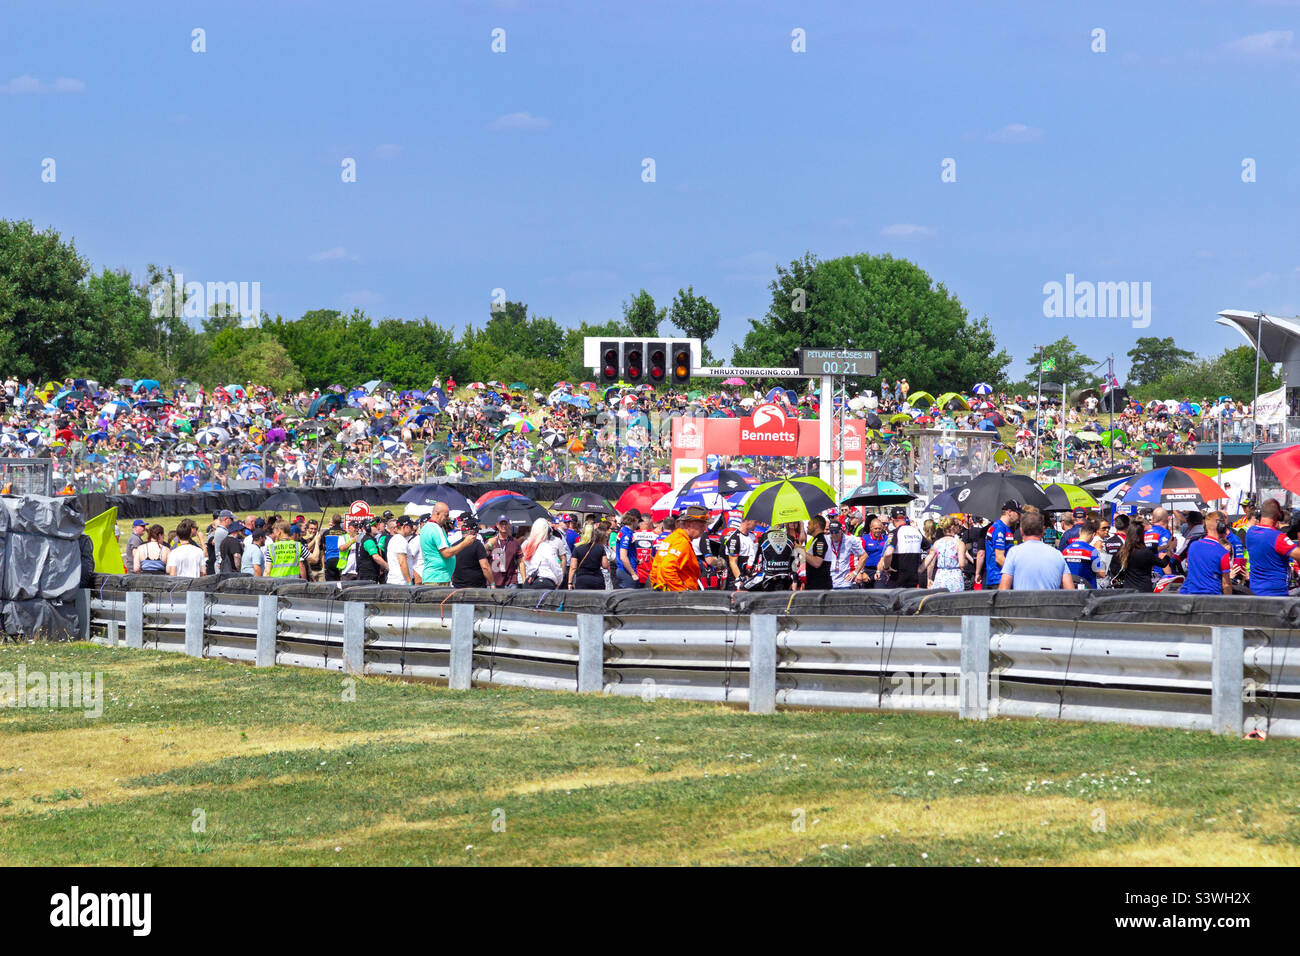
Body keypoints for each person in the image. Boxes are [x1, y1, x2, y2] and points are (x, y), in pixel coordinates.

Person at [998, 512, 1074, 590]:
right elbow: (1070, 590)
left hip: (1022, 601)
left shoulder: (1013, 553)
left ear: (1021, 531)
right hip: (1050, 601)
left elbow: (1003, 589)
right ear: (1043, 531)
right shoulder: (1057, 554)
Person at [1245, 499, 1300, 597]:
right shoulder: (1278, 537)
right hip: (1276, 594)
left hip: (1255, 592)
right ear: (1278, 516)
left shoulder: (1250, 532)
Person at [649, 505, 707, 591]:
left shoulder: (671, 538)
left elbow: (656, 567)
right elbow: (667, 567)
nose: (704, 529)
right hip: (677, 597)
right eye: (701, 525)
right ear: (689, 525)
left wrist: (657, 586)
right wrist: (681, 591)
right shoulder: (681, 542)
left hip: (665, 592)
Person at [419, 501, 477, 585]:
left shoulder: (426, 527)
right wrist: (465, 543)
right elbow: (446, 553)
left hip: (434, 576)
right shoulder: (435, 529)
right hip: (438, 578)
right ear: (437, 513)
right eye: (446, 515)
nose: (447, 518)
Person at [1181, 511, 1233, 596]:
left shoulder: (1193, 546)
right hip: (1211, 600)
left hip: (1191, 598)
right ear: (1221, 526)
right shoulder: (1222, 552)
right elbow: (1226, 584)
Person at [1110, 519, 1168, 592]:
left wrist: (1165, 546)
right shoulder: (1145, 553)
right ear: (1141, 535)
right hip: (1144, 589)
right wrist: (1169, 551)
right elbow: (1163, 563)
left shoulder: (1123, 551)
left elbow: (1114, 569)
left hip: (1128, 589)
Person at [878, 508, 926, 588]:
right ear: (905, 517)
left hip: (897, 578)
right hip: (913, 578)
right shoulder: (916, 531)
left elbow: (888, 553)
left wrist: (886, 567)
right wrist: (921, 568)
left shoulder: (894, 532)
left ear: (892, 519)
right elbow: (932, 551)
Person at [921, 516, 967, 592]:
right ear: (953, 527)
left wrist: (927, 576)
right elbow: (962, 564)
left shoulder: (937, 543)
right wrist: (966, 561)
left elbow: (931, 562)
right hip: (955, 576)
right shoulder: (959, 543)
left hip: (940, 576)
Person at [1061, 517, 1106, 588]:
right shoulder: (1092, 551)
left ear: (1079, 532)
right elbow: (1102, 574)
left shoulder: (1066, 550)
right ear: (1093, 535)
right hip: (1088, 590)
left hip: (1070, 590)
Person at [984, 501, 1020, 589]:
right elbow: (999, 558)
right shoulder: (999, 528)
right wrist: (1016, 574)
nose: (1019, 516)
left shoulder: (1006, 528)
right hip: (998, 579)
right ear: (1009, 512)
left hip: (1001, 578)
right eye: (1018, 513)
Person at [520, 517, 564, 588]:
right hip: (545, 583)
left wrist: (524, 579)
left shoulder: (526, 544)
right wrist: (559, 581)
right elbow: (555, 566)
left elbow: (523, 562)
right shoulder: (546, 547)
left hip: (529, 582)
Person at [451, 516, 494, 588]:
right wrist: (492, 584)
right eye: (477, 531)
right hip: (476, 588)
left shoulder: (454, 546)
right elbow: (485, 567)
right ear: (473, 532)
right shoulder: (477, 545)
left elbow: (451, 567)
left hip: (457, 587)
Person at [569, 519, 611, 590]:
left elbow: (573, 567)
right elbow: (605, 565)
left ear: (583, 533)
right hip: (597, 579)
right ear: (594, 534)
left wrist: (570, 582)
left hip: (582, 580)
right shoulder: (600, 548)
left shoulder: (577, 548)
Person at [824, 518, 866, 589]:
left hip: (844, 583)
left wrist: (855, 573)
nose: (834, 534)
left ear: (841, 531)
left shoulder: (850, 540)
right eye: (832, 532)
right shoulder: (825, 539)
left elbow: (864, 556)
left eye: (836, 532)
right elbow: (806, 552)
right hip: (828, 582)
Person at [386, 515, 420, 584]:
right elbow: (402, 562)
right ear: (404, 526)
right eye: (410, 526)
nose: (412, 529)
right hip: (400, 582)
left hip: (396, 581)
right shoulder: (400, 540)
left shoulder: (395, 538)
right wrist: (409, 581)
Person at [489, 518, 523, 587]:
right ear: (497, 525)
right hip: (495, 581)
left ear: (509, 525)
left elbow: (521, 562)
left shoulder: (514, 542)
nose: (504, 526)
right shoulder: (491, 541)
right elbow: (484, 561)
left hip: (511, 581)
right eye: (501, 524)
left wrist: (524, 580)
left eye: (506, 524)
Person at [803, 516, 832, 591]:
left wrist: (801, 551)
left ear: (816, 525)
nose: (807, 526)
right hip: (814, 586)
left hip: (819, 587)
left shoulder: (820, 541)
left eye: (809, 524)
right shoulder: (816, 539)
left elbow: (817, 562)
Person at [614, 510, 641, 588]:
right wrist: (633, 573)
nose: (638, 524)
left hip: (623, 569)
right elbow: (623, 556)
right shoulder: (627, 534)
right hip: (626, 571)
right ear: (635, 519)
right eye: (639, 521)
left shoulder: (624, 530)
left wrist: (635, 560)